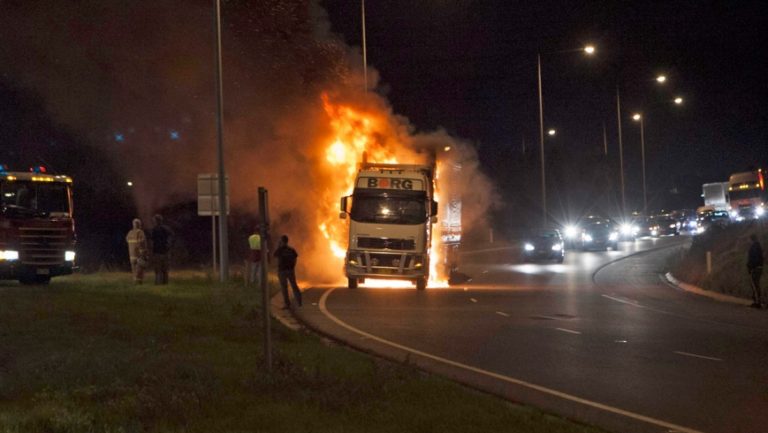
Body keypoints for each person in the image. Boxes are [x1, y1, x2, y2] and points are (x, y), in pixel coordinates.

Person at [273, 234, 301, 309]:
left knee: (284, 288)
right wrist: (293, 266)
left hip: (282, 271)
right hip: (290, 270)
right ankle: (299, 302)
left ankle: (287, 304)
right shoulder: (291, 249)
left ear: (282, 241)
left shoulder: (280, 250)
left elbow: (274, 255)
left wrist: (278, 246)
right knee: (294, 286)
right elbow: (295, 258)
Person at [151, 214, 174, 285]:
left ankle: (158, 283)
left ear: (156, 221)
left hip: (157, 252)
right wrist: (169, 244)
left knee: (158, 269)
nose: (153, 222)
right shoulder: (166, 229)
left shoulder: (154, 230)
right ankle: (165, 282)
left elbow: (152, 240)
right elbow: (172, 236)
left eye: (154, 220)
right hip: (165, 252)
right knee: (165, 269)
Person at [125, 218, 148, 284]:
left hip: (131, 255)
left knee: (134, 270)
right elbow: (142, 243)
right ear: (139, 224)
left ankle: (134, 282)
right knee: (140, 270)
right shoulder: (140, 232)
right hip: (139, 255)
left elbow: (127, 240)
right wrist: (144, 253)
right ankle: (139, 283)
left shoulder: (130, 233)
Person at [747, 234, 764, 308]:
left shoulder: (754, 247)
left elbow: (754, 258)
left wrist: (751, 267)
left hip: (755, 268)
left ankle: (758, 302)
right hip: (758, 267)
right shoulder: (757, 246)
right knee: (755, 285)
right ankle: (757, 301)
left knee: (755, 285)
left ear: (751, 239)